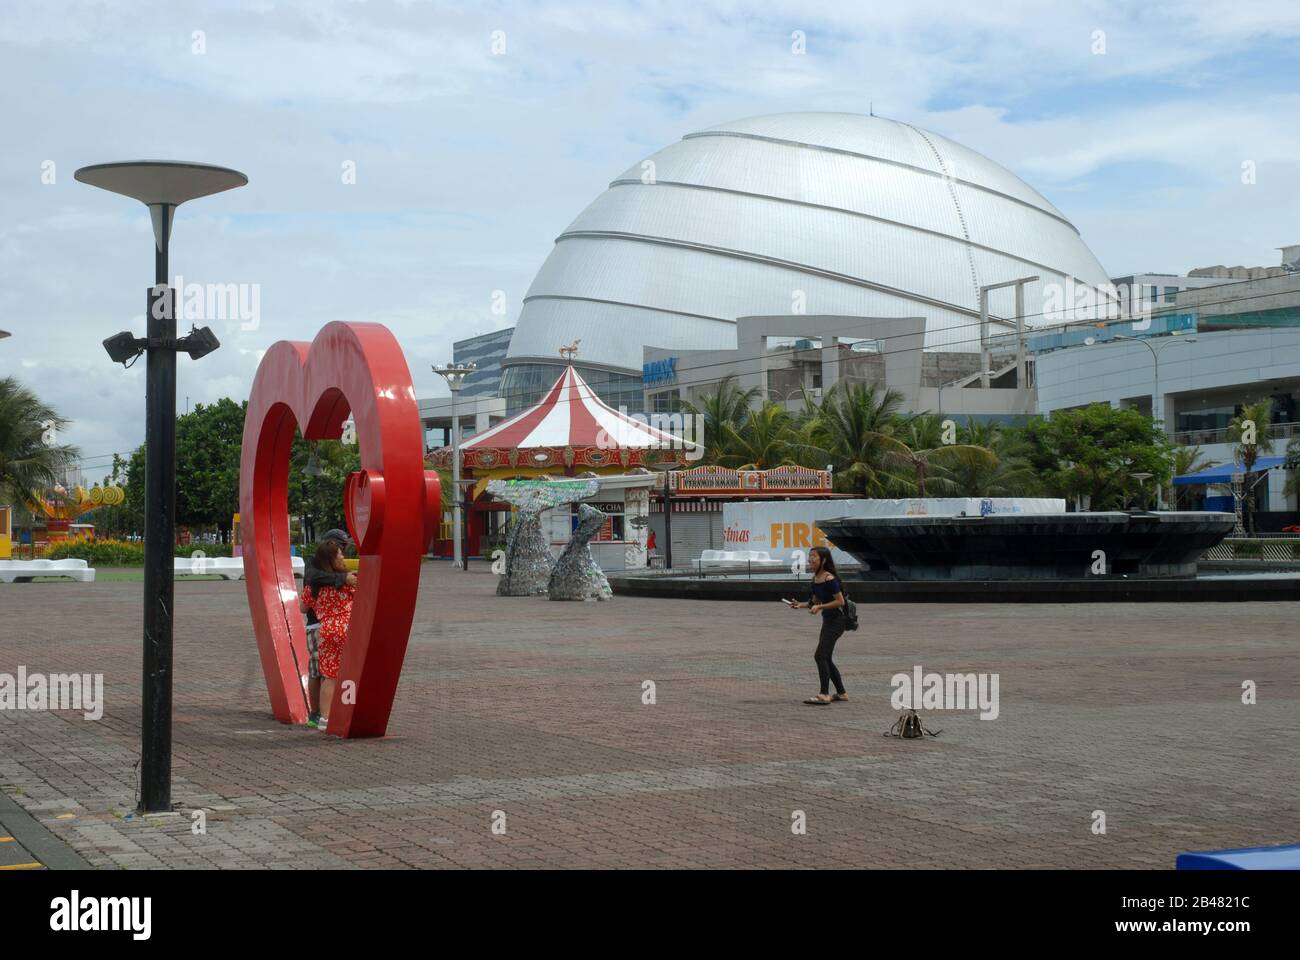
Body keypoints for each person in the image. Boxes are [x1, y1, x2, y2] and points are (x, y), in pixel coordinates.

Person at [302, 529, 357, 728]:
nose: (343, 553)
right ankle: (328, 712)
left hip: (324, 627)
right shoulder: (342, 579)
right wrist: (343, 580)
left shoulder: (315, 586)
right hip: (341, 628)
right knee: (336, 673)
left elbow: (303, 605)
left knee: (327, 675)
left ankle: (323, 716)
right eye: (341, 549)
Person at [786, 545, 848, 705]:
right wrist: (799, 605)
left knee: (820, 655)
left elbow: (840, 601)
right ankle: (841, 693)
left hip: (837, 621)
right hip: (828, 620)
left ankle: (824, 694)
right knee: (826, 656)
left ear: (823, 560)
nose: (810, 559)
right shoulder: (815, 580)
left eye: (814, 556)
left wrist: (820, 607)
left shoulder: (829, 579)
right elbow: (814, 602)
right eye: (810, 556)